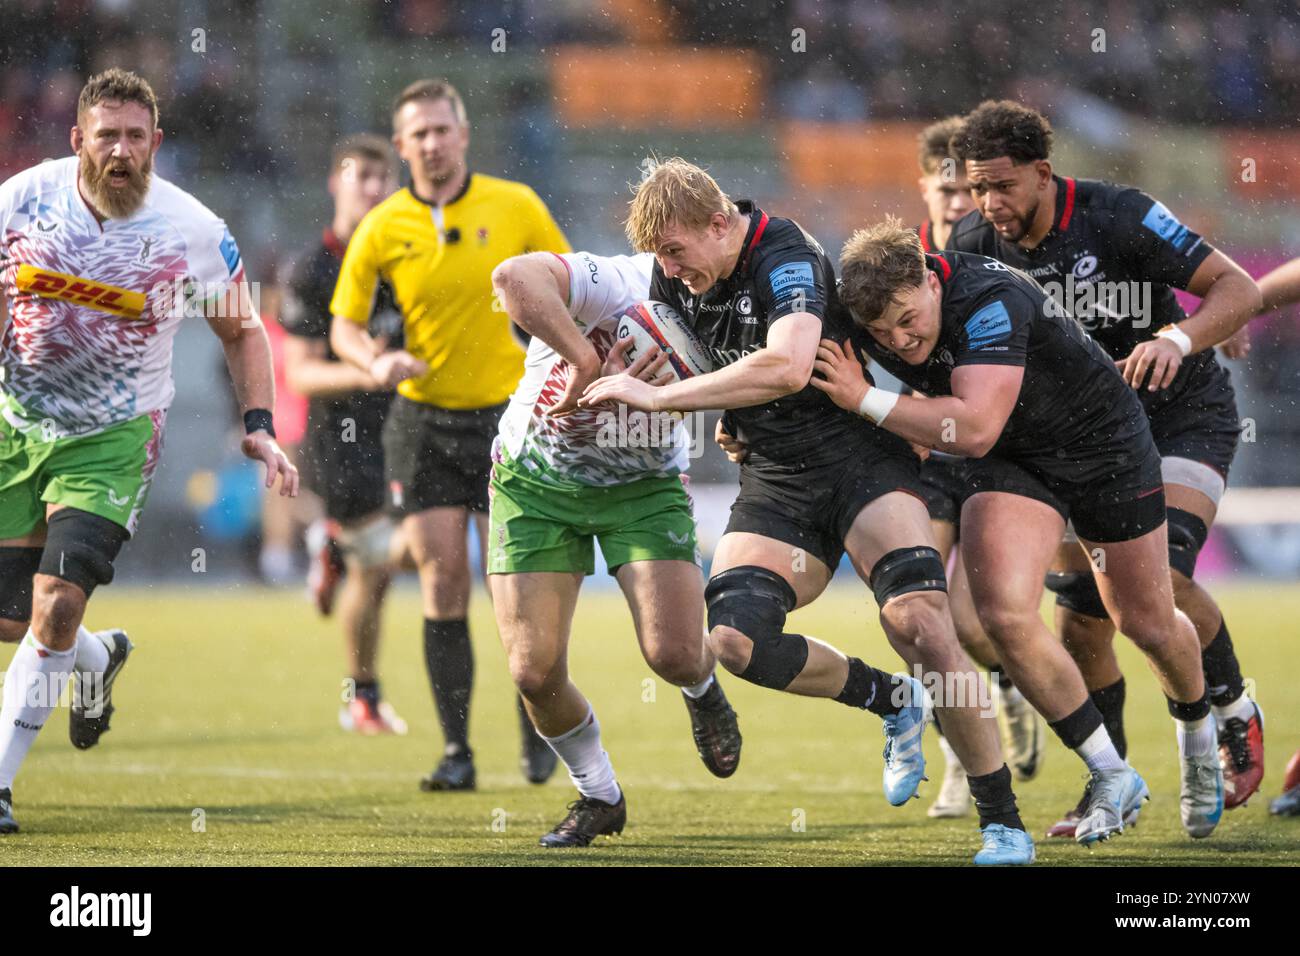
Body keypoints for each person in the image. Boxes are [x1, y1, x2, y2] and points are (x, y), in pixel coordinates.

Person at [579, 158, 1032, 866]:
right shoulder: (677, 276)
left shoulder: (784, 254)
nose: (668, 268)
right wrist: (720, 411)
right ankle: (891, 701)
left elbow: (788, 365)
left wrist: (660, 400)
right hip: (776, 479)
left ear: (719, 224)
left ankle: (1002, 822)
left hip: (857, 463)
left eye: (674, 250)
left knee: (921, 624)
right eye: (659, 256)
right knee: (735, 642)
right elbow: (708, 361)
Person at [823, 218, 1225, 844]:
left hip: (1102, 447)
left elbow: (974, 427)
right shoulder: (865, 306)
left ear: (930, 280)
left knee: (1145, 621)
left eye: (908, 320)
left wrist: (865, 400)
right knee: (1001, 616)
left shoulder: (988, 298)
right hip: (1014, 462)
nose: (899, 342)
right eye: (880, 333)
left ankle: (1198, 731)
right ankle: (1111, 773)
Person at [946, 100, 1265, 832]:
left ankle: (1230, 711)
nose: (991, 205)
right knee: (1082, 626)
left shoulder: (1119, 213)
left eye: (1004, 186)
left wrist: (1180, 339)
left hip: (1178, 413)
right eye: (978, 189)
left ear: (1043, 172)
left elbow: (1239, 290)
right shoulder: (972, 242)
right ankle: (1110, 786)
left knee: (1167, 578)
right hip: (1079, 441)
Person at [0, 69, 298, 832]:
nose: (122, 151)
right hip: (16, 425)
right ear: (78, 141)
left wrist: (259, 422)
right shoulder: (21, 201)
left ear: (156, 143)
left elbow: (244, 328)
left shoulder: (193, 229)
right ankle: (96, 659)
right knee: (15, 618)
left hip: (115, 438)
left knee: (57, 600)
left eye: (136, 137)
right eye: (107, 136)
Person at [329, 79, 570, 789]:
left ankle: (539, 732)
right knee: (441, 575)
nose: (432, 143)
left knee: (517, 589)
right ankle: (457, 754)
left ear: (463, 135)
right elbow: (343, 324)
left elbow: (571, 284)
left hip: (509, 420)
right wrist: (376, 357)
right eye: (418, 134)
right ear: (402, 147)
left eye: (443, 129)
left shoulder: (516, 204)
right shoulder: (382, 225)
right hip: (423, 421)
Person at [489, 248, 741, 846]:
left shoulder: (736, 310)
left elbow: (766, 378)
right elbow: (510, 276)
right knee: (533, 671)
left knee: (674, 656)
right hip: (535, 480)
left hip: (643, 487)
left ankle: (703, 690)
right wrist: (582, 359)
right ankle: (598, 794)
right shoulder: (618, 280)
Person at [912, 116, 1043, 818]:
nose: (962, 203)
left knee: (974, 624)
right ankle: (961, 761)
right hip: (932, 460)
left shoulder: (1005, 262)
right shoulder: (898, 264)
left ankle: (1009, 684)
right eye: (949, 189)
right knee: (919, 613)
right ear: (925, 189)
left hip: (999, 455)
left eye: (972, 190)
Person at [281, 134, 408, 735]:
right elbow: (301, 373)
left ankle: (329, 545)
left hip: (409, 432)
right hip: (342, 441)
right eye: (363, 178)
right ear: (337, 181)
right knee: (379, 570)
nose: (375, 190)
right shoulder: (312, 268)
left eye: (385, 180)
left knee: (415, 557)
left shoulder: (406, 260)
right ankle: (363, 696)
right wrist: (370, 367)